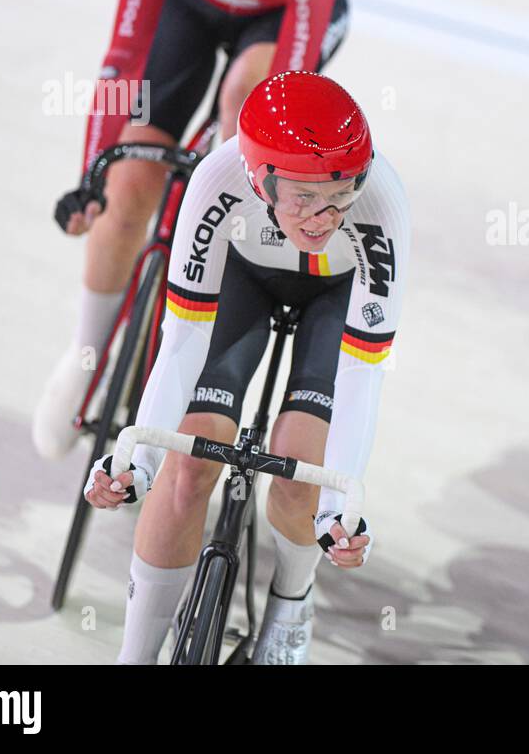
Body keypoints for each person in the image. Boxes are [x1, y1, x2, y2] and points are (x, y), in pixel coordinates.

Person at [34, 0, 350, 459]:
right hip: (192, 5)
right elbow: (124, 59)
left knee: (245, 102)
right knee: (130, 183)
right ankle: (85, 351)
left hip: (276, 23)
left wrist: (258, 195)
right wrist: (94, 174)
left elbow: (288, 90)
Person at [83, 71, 409, 664]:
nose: (323, 219)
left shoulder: (383, 201)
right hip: (244, 278)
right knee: (187, 466)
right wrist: (139, 461)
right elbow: (181, 339)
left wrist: (339, 508)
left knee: (301, 470)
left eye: (339, 197)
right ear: (260, 179)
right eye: (303, 198)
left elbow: (364, 374)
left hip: (335, 297)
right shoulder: (217, 178)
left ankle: (291, 601)